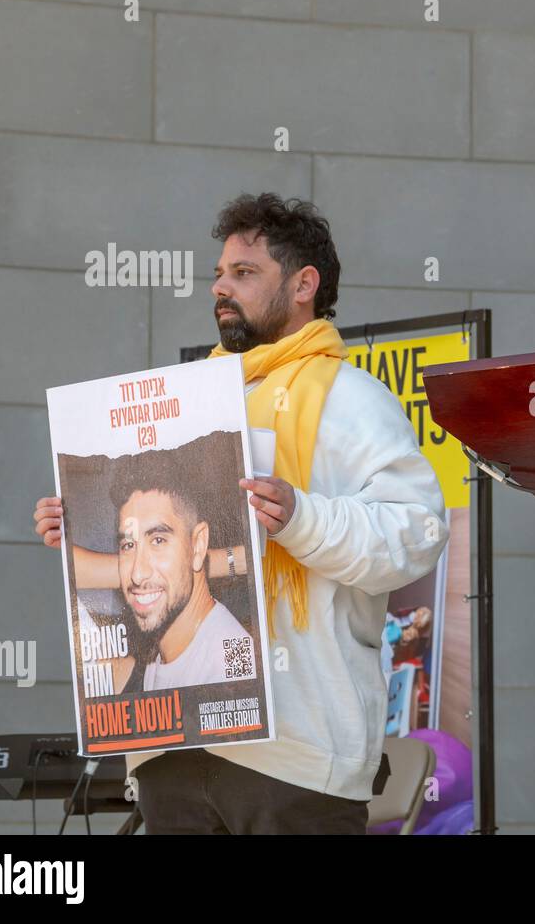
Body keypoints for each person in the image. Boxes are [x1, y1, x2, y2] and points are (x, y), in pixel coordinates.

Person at [35, 193, 449, 834]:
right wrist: (77, 523)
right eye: (220, 274)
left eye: (245, 273)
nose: (221, 288)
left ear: (305, 284)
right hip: (171, 745)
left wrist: (301, 518)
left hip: (295, 757)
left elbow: (417, 535)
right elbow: (147, 553)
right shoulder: (187, 401)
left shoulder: (353, 401)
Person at [105, 444, 255, 692]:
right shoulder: (164, 645)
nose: (137, 573)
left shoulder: (231, 660)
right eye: (128, 545)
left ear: (198, 545)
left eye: (158, 541)